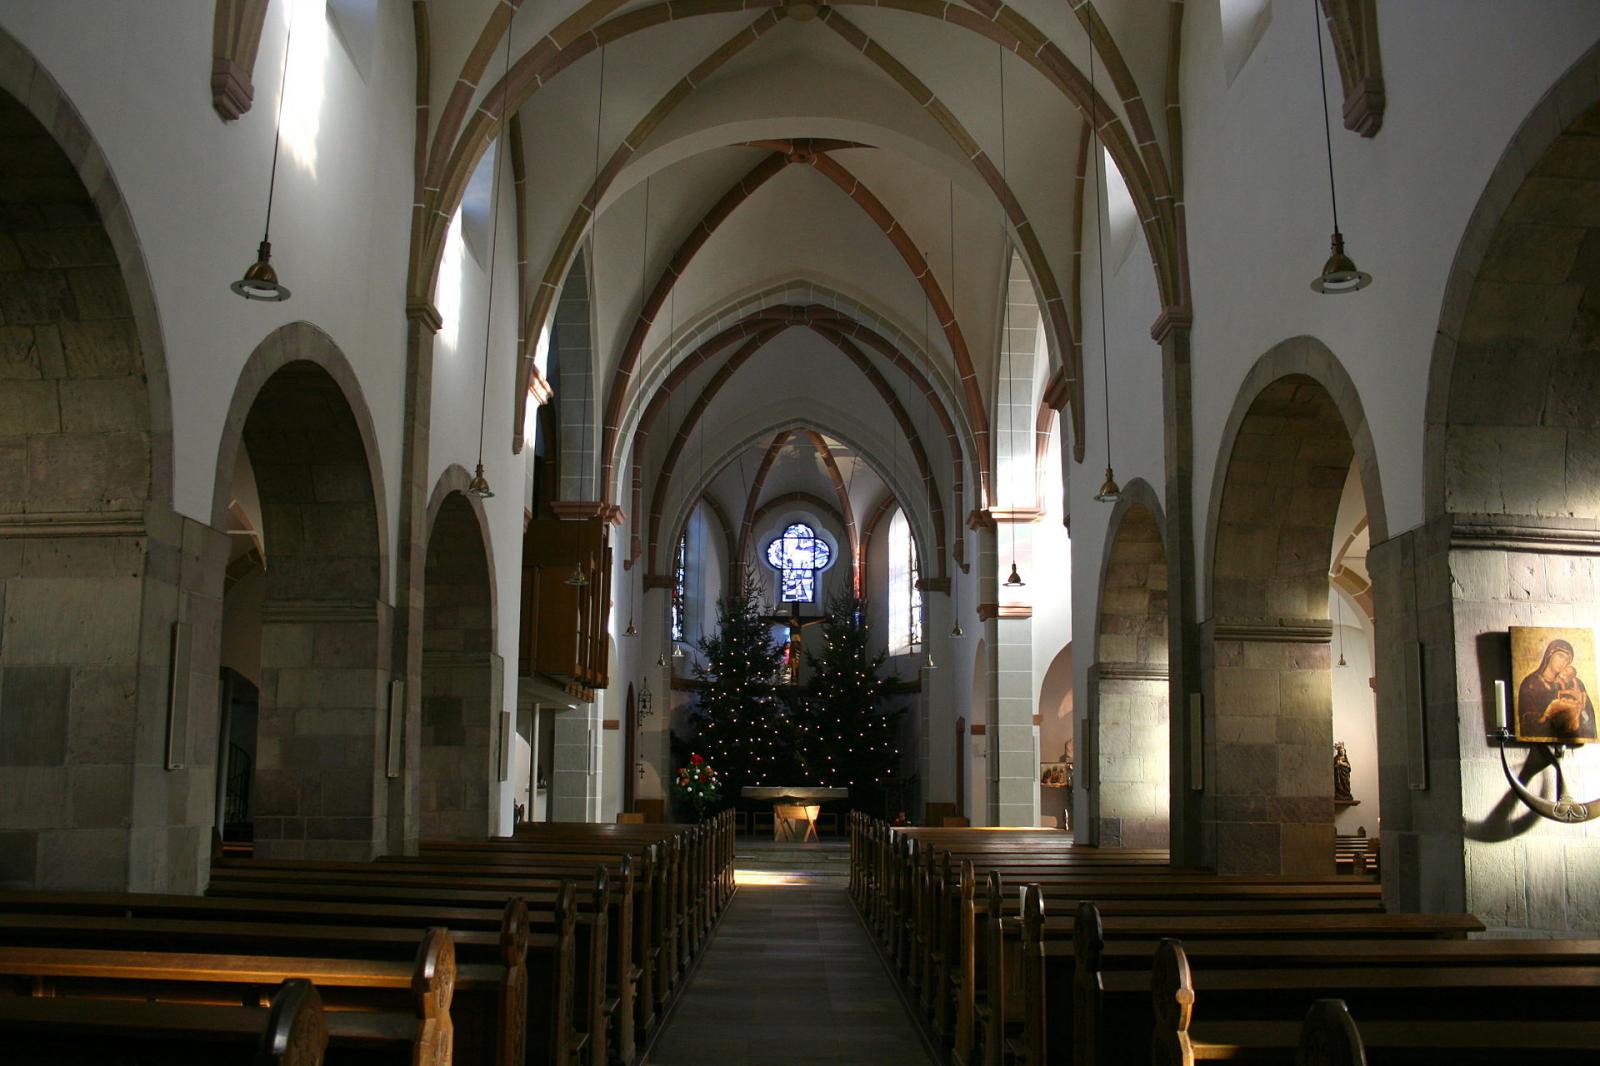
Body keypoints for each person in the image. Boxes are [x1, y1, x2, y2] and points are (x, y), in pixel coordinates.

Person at [1517, 638, 1597, 742]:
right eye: (1560, 656)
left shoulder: (1575, 683)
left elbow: (1590, 728)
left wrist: (1583, 706)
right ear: (1550, 655)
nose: (1563, 662)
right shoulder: (1531, 683)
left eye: (1567, 660)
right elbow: (1527, 724)